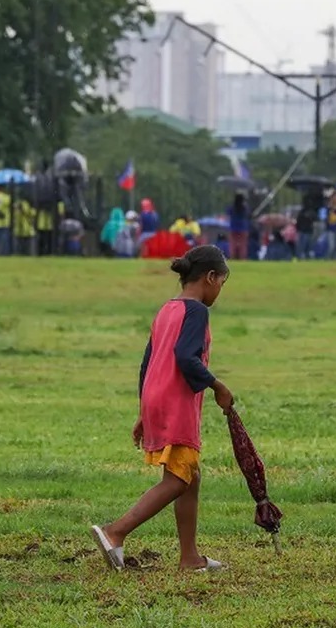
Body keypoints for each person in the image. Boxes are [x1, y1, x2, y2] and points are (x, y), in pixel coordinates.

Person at [91, 245, 235, 573]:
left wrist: (144, 411)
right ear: (210, 277)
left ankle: (190, 558)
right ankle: (116, 532)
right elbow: (186, 357)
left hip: (154, 396)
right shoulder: (196, 312)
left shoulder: (167, 309)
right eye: (221, 283)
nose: (219, 291)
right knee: (178, 479)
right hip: (175, 401)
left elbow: (148, 362)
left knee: (190, 475)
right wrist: (218, 386)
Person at [227, 194, 249, 261]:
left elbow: (228, 213)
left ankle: (232, 257)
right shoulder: (244, 208)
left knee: (232, 244)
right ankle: (242, 258)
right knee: (243, 245)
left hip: (233, 228)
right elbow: (248, 214)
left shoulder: (231, 208)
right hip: (242, 228)